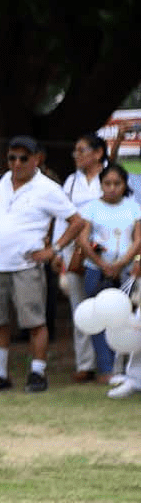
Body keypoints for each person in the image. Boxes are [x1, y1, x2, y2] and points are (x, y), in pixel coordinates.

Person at [0, 135, 85, 394]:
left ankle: (37, 373)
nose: (18, 163)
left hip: (26, 265)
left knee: (34, 321)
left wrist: (53, 249)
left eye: (24, 158)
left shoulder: (47, 188)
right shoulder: (0, 181)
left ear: (37, 159)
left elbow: (77, 221)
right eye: (13, 157)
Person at [76, 164, 141, 386]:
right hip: (97, 270)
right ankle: (105, 368)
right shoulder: (91, 208)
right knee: (100, 317)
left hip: (126, 270)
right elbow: (83, 240)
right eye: (107, 183)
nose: (112, 188)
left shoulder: (133, 207)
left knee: (127, 319)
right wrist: (102, 263)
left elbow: (138, 239)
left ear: (125, 185)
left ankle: (126, 368)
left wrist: (124, 262)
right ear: (101, 185)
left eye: (117, 184)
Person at [59, 134, 107, 381]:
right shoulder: (71, 182)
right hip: (75, 251)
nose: (77, 155)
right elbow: (62, 216)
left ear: (98, 153)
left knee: (109, 303)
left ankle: (111, 364)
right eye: (75, 151)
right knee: (80, 307)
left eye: (82, 150)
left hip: (108, 251)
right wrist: (59, 250)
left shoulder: (112, 177)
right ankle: (85, 363)